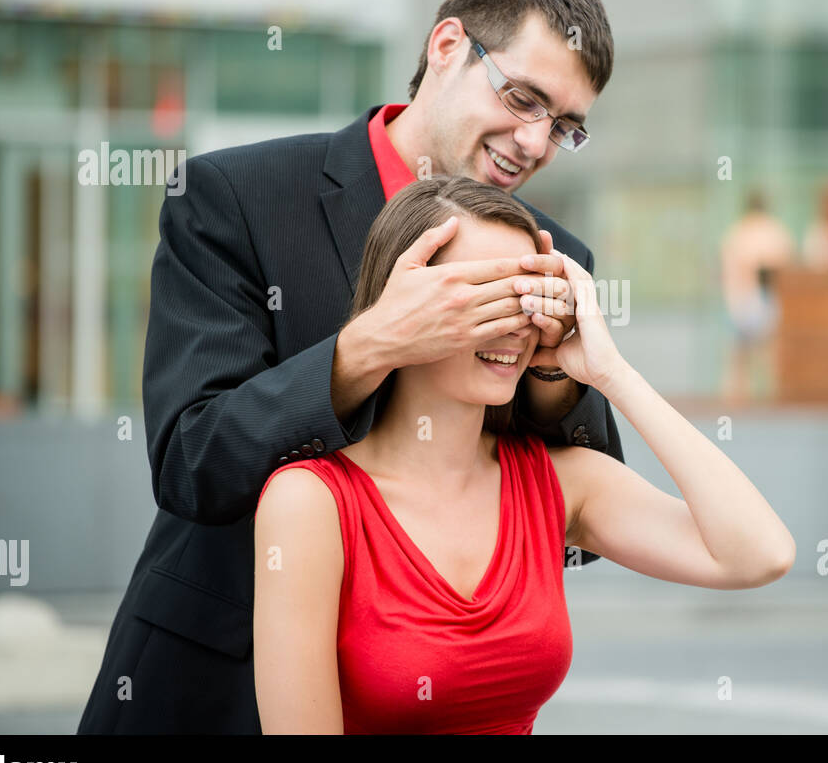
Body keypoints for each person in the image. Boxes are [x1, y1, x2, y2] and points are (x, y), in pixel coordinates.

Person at [79, 0, 624, 733]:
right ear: (445, 47)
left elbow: (575, 523)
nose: (536, 142)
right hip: (211, 690)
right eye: (523, 97)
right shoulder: (235, 198)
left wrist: (548, 367)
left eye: (565, 127)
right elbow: (191, 459)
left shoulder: (551, 249)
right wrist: (369, 347)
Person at [253, 176, 795, 734]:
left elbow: (759, 554)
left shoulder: (559, 482)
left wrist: (612, 374)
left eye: (527, 294)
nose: (515, 323)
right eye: (484, 296)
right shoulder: (311, 502)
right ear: (404, 305)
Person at [719, 191, 795, 403]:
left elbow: (727, 271)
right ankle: (771, 398)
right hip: (764, 303)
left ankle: (737, 400)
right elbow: (785, 266)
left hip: (739, 303)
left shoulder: (737, 232)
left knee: (738, 362)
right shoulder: (774, 232)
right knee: (767, 358)